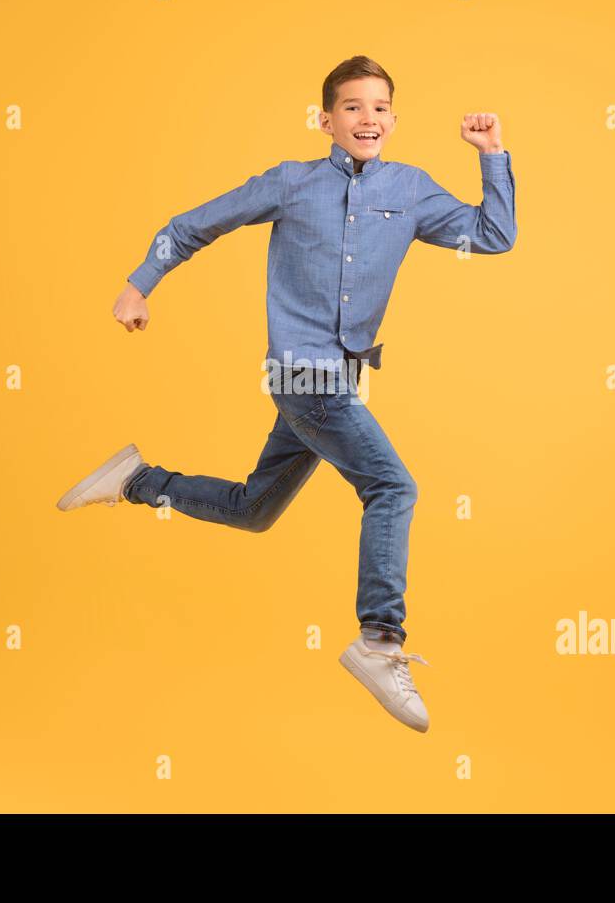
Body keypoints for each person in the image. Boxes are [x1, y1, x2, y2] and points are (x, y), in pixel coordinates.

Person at [56, 55, 517, 733]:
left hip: (341, 380)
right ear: (325, 119)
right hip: (303, 376)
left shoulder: (412, 190)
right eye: (353, 107)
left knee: (254, 509)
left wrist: (493, 157)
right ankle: (379, 640)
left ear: (394, 117)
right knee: (393, 489)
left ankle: (137, 480)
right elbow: (191, 225)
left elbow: (494, 236)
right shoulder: (291, 184)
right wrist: (138, 283)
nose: (368, 119)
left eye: (380, 107)